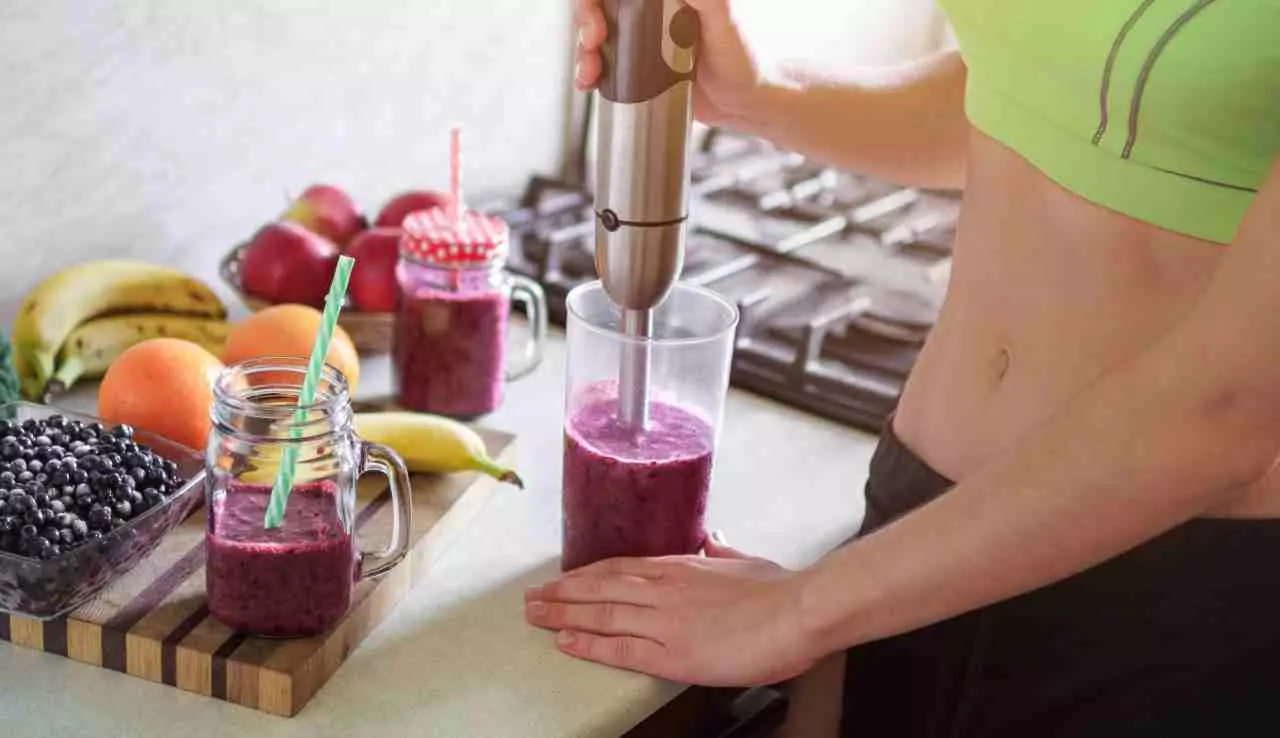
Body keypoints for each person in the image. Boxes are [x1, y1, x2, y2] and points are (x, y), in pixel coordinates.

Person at [525, 0, 1280, 734]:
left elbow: (1225, 408)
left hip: (1171, 593)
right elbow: (1033, 94)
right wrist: (767, 96)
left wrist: (798, 610)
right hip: (915, 534)